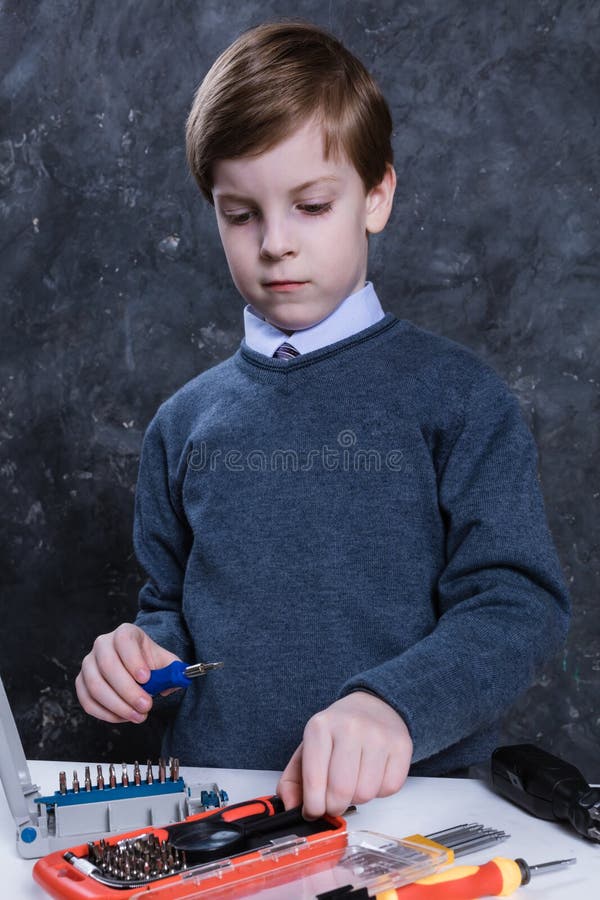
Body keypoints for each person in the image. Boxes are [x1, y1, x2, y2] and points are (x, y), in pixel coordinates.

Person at [75, 21, 570, 820]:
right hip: (217, 815)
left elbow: (517, 604)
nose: (276, 245)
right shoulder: (183, 423)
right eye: (240, 215)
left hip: (416, 814)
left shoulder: (461, 400)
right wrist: (138, 661)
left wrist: (393, 705)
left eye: (310, 205)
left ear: (376, 197)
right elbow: (168, 611)